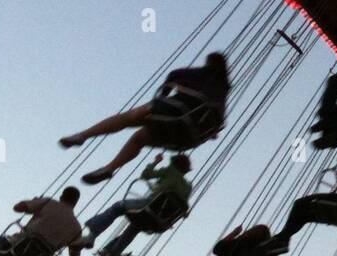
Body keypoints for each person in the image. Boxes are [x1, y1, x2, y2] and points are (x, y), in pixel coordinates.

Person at [60, 53, 230, 184]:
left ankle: (83, 136)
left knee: (130, 117)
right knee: (139, 138)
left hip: (177, 113)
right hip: (188, 138)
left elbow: (174, 74)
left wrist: (163, 96)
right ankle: (110, 168)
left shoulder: (206, 73)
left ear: (210, 63)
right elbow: (217, 128)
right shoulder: (223, 94)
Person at [75, 153, 192, 256]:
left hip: (149, 205)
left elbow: (146, 175)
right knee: (135, 227)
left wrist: (156, 161)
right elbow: (183, 208)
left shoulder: (170, 171)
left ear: (174, 163)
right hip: (161, 220)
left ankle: (92, 235)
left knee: (117, 207)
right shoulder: (187, 187)